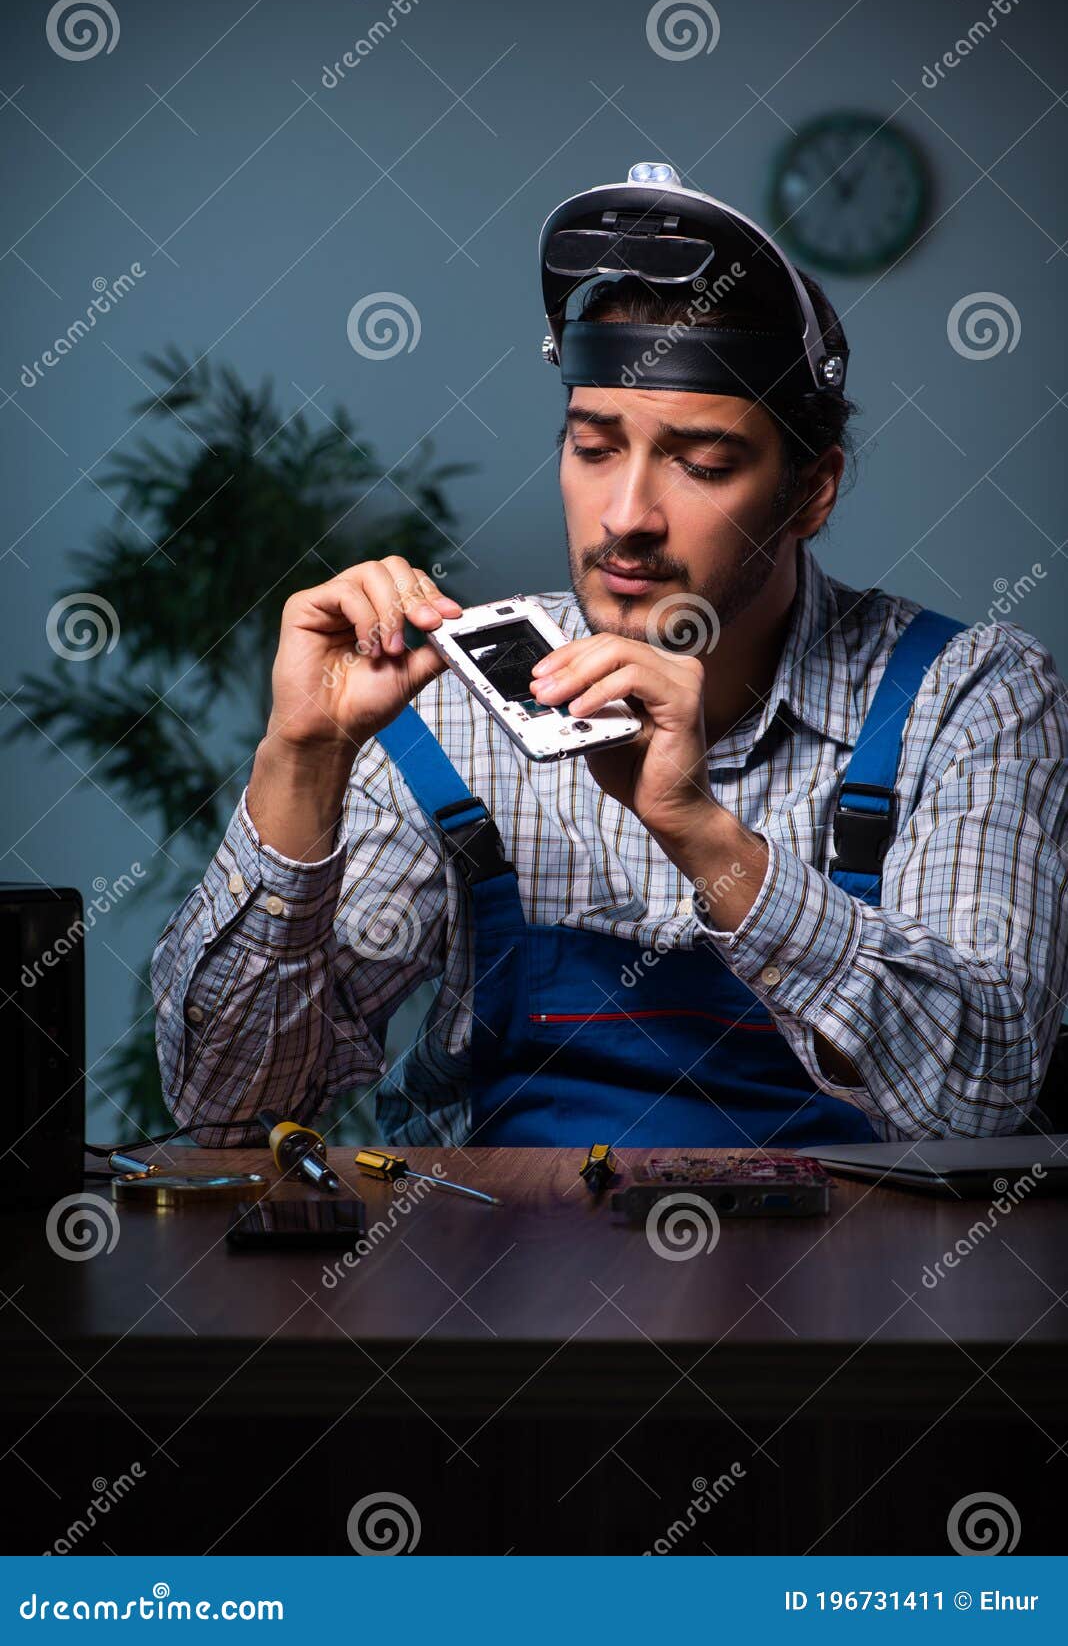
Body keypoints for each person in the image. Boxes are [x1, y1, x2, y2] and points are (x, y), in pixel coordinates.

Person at [152, 164, 1068, 1149]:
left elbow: (987, 1099)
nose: (627, 517)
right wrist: (302, 758)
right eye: (594, 447)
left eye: (702, 463)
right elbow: (232, 1108)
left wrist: (702, 835)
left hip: (851, 1296)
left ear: (811, 492)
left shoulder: (969, 696)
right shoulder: (455, 708)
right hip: (497, 1286)